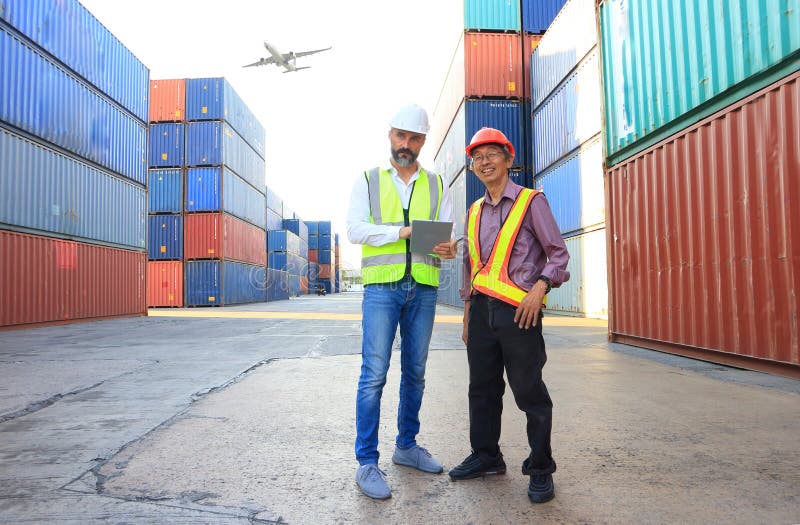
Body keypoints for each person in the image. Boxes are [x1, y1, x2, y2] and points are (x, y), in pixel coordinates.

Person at [448, 127, 570, 504]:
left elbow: (559, 255)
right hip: (482, 313)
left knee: (529, 391)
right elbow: (472, 267)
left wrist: (540, 288)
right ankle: (487, 456)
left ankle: (540, 467)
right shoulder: (473, 212)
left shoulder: (531, 202)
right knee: (482, 389)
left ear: (508, 159)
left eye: (491, 154)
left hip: (520, 314)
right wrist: (468, 314)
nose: (483, 162)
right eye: (477, 157)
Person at [346, 103, 457, 500]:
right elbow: (355, 230)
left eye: (413, 138)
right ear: (390, 135)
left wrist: (448, 249)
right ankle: (366, 462)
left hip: (423, 288)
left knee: (416, 373)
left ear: (423, 141)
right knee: (374, 374)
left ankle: (406, 447)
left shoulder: (438, 183)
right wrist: (403, 232)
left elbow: (445, 236)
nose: (405, 145)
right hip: (382, 289)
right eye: (399, 136)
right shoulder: (369, 179)